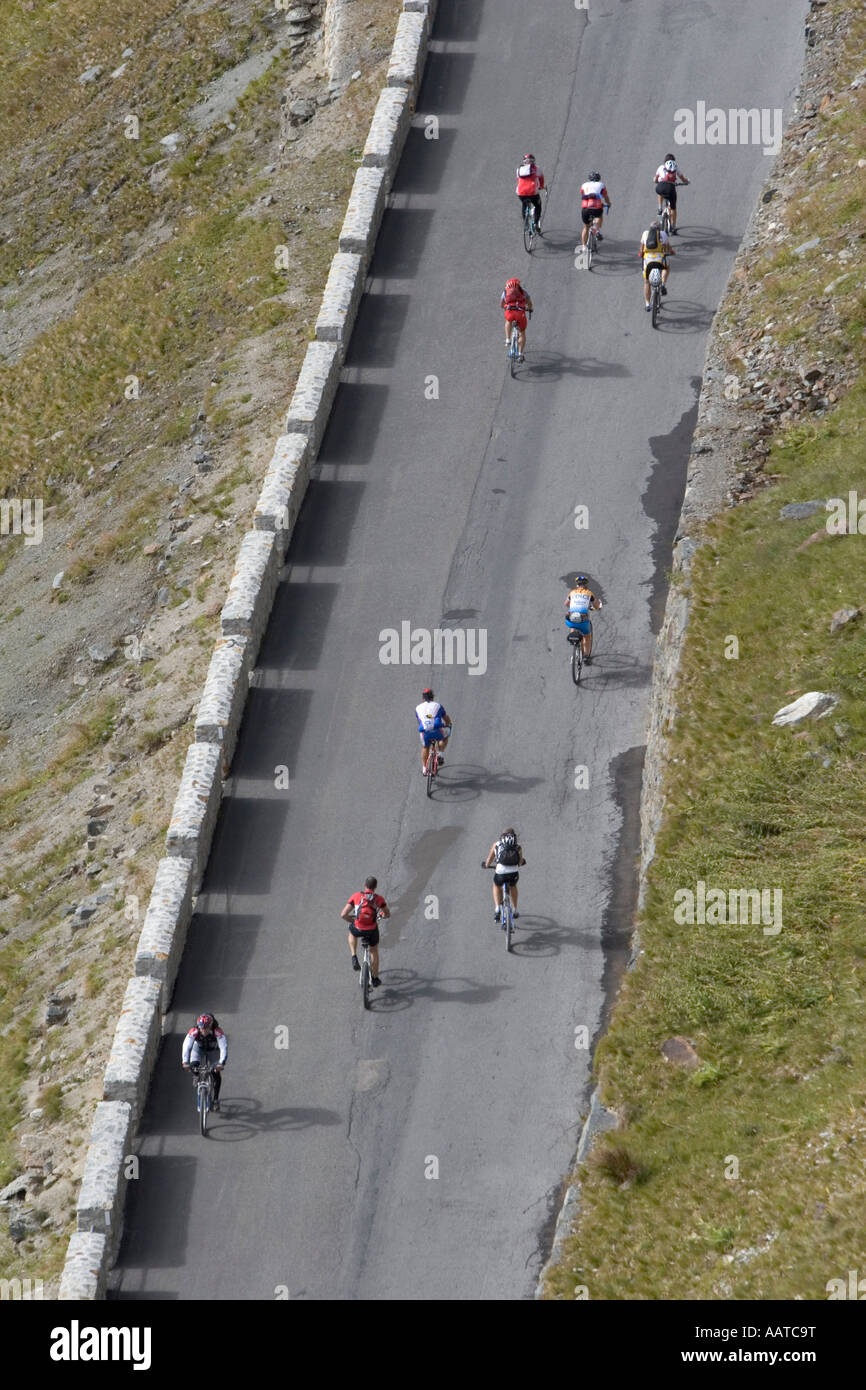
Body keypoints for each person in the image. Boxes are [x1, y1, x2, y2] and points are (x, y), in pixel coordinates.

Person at [341, 875, 390, 987]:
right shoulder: (379, 899)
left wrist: (353, 921)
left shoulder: (356, 896)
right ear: (375, 887)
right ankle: (375, 978)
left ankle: (354, 956)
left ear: (365, 885)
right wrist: (383, 915)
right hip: (372, 930)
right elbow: (387, 913)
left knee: (351, 931)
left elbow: (343, 914)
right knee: (374, 951)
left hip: (358, 928)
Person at [182, 1013, 227, 1110]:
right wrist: (185, 1062)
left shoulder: (217, 1032)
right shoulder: (194, 1031)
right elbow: (186, 1046)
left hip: (213, 1050)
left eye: (206, 1028)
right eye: (201, 1028)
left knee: (216, 1073)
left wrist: (221, 1063)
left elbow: (223, 1047)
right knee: (193, 1065)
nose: (203, 1030)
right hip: (199, 1048)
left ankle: (215, 1100)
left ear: (210, 1026)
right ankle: (196, 1075)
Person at [483, 830, 526, 924]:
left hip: (500, 872)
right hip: (513, 873)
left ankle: (497, 908)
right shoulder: (518, 847)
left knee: (496, 885)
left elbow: (490, 859)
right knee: (513, 886)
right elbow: (520, 862)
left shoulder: (497, 844)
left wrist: (486, 865)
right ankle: (515, 910)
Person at [415, 687, 452, 775]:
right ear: (433, 697)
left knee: (425, 747)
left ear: (423, 698)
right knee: (445, 736)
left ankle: (424, 768)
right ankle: (440, 754)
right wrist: (448, 724)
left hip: (425, 731)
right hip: (436, 729)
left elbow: (419, 721)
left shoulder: (418, 708)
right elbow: (446, 718)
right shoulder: (438, 705)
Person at [565, 574, 602, 661]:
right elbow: (596, 606)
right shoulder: (589, 593)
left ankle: (573, 639)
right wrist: (597, 606)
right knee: (587, 636)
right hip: (583, 618)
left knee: (572, 624)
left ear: (577, 585)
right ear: (586, 585)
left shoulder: (572, 593)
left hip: (571, 617)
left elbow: (566, 603)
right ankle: (585, 656)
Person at [639, 219, 674, 309]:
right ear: (660, 228)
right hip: (659, 260)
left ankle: (647, 304)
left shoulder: (645, 234)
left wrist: (641, 254)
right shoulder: (663, 234)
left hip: (648, 261)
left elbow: (641, 249)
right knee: (666, 267)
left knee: (646, 282)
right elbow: (667, 249)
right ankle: (663, 284)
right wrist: (671, 251)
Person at [653, 154, 689, 233]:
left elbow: (655, 180)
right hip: (670, 189)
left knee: (660, 192)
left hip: (660, 187)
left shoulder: (660, 167)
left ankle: (659, 208)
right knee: (673, 208)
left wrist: (657, 180)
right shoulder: (676, 169)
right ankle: (673, 226)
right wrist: (687, 182)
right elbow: (683, 179)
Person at [501, 277, 533, 362]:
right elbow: (529, 303)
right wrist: (530, 309)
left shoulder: (505, 292)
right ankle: (520, 354)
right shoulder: (523, 291)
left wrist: (506, 308)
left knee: (508, 321)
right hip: (520, 314)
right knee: (522, 333)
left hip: (510, 312)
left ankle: (508, 339)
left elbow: (502, 304)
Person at [579, 170, 612, 246]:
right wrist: (608, 203)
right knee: (599, 216)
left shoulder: (584, 185)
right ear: (598, 178)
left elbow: (583, 193)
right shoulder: (601, 185)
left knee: (586, 227)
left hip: (585, 209)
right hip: (596, 208)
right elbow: (605, 196)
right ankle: (596, 230)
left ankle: (584, 247)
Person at [515, 153, 545, 234]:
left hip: (521, 192)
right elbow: (541, 179)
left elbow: (519, 181)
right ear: (533, 161)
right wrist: (541, 186)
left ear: (524, 162)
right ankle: (535, 223)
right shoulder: (537, 169)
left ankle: (525, 223)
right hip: (533, 193)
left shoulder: (519, 170)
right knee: (538, 206)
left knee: (524, 204)